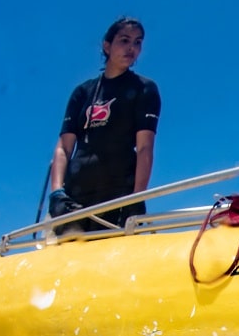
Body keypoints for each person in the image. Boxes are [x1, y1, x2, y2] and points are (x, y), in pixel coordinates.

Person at [48, 17, 161, 231]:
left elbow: (145, 147)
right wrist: (56, 193)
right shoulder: (82, 93)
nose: (132, 48)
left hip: (118, 198)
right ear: (107, 46)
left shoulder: (144, 89)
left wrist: (137, 198)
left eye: (137, 42)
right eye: (125, 40)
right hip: (74, 201)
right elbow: (64, 147)